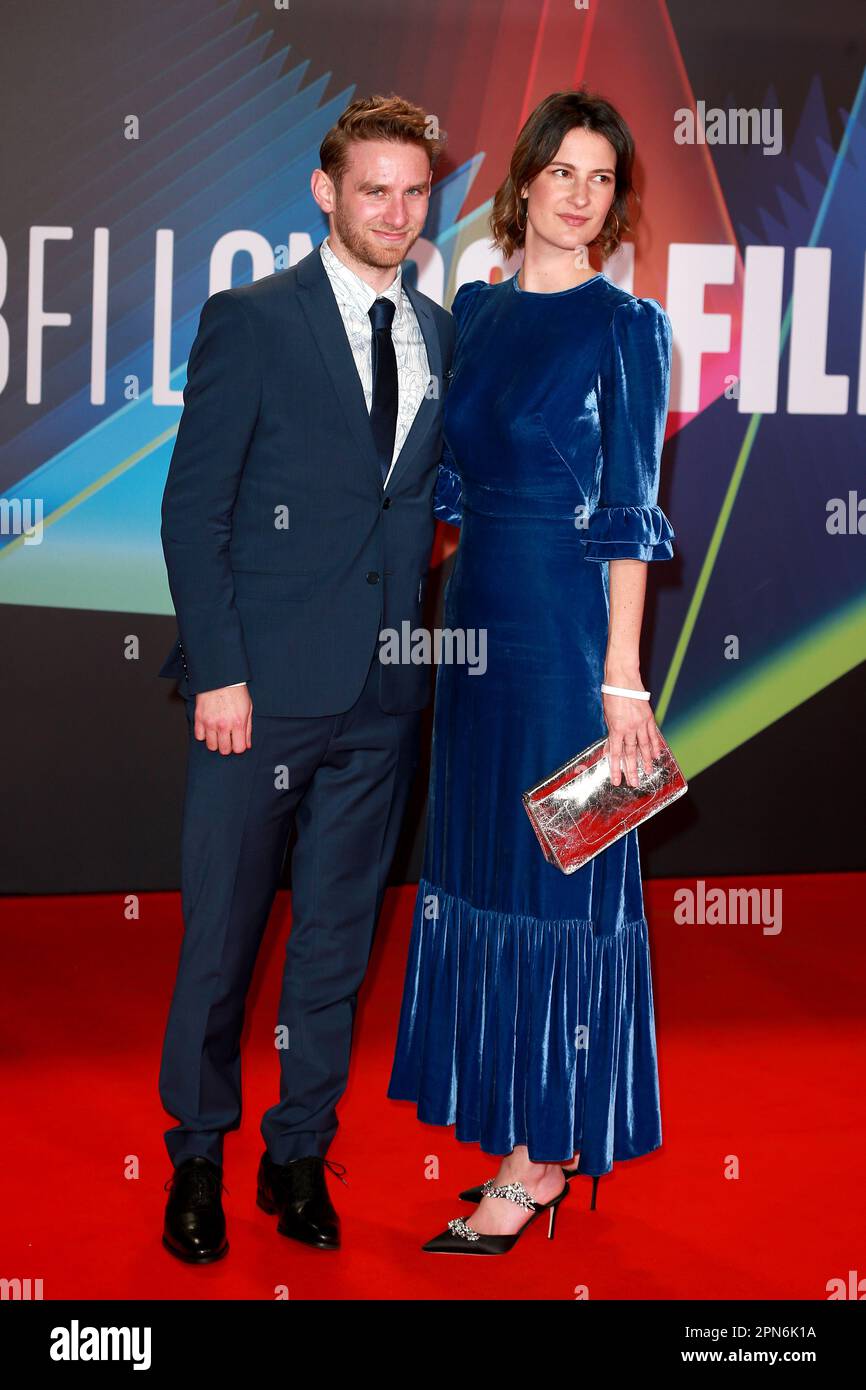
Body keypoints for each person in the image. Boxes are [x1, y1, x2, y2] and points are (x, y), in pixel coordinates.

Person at [157, 94, 454, 1262]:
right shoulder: (252, 319)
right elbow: (194, 508)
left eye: (414, 191)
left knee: (336, 940)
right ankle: (194, 1156)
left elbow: (418, 503)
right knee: (221, 939)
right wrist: (219, 674)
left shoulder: (440, 331)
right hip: (259, 693)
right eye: (371, 188)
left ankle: (295, 1157)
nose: (393, 210)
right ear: (323, 192)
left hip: (384, 694)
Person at [387, 87, 677, 1256]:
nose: (579, 195)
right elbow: (443, 488)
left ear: (615, 201)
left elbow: (629, 517)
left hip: (568, 640)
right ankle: (516, 1118)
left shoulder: (628, 325)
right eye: (561, 171)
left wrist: (622, 682)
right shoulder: (479, 310)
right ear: (522, 182)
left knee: (564, 876)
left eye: (601, 179)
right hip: (476, 633)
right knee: (485, 867)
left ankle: (543, 1155)